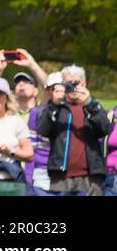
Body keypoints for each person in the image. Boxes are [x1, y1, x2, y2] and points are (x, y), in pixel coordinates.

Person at [36, 65, 113, 196]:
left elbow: (105, 128)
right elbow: (43, 130)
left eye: (76, 83)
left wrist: (89, 104)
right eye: (68, 84)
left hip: (90, 177)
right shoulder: (56, 108)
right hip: (60, 176)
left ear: (84, 84)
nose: (72, 87)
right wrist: (54, 104)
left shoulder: (93, 107)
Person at [0, 48, 51, 195]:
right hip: (10, 174)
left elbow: (51, 88)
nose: (21, 85)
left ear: (37, 91)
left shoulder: (42, 112)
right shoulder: (8, 115)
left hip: (38, 177)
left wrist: (32, 64)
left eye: (27, 82)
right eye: (18, 83)